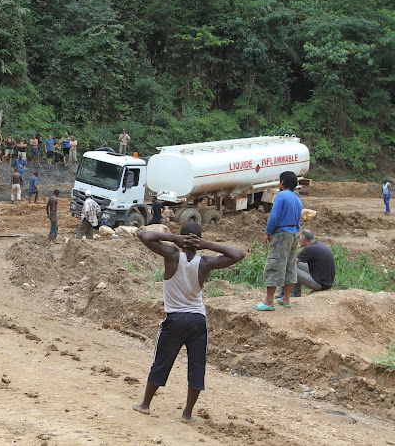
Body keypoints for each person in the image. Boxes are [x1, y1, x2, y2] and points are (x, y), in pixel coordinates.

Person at [133, 223, 245, 422]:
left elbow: (143, 235)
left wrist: (174, 238)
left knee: (161, 362)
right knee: (197, 366)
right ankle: (187, 414)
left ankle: (145, 404)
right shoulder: (205, 262)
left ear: (183, 239)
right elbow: (238, 255)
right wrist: (208, 244)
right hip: (197, 320)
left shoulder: (172, 255)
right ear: (198, 241)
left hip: (175, 318)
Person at [254, 171, 303, 311]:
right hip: (294, 234)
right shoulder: (297, 199)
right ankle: (286, 298)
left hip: (282, 234)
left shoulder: (281, 195)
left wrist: (268, 233)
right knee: (290, 265)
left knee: (275, 264)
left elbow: (274, 217)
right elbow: (298, 221)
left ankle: (269, 301)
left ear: (282, 183)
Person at [279, 229, 335, 297]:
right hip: (327, 282)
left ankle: (282, 295)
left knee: (288, 267)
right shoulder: (318, 245)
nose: (298, 240)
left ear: (303, 239)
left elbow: (291, 263)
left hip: (319, 284)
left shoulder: (310, 248)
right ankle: (295, 294)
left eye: (299, 238)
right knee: (295, 265)